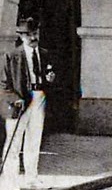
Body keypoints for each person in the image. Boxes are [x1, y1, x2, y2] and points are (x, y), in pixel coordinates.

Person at [0, 18, 55, 190]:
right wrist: (14, 99)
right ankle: (10, 183)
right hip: (19, 103)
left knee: (34, 140)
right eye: (29, 35)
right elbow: (3, 84)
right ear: (21, 37)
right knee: (14, 143)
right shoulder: (11, 56)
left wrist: (51, 79)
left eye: (35, 34)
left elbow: (52, 77)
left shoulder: (45, 54)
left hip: (40, 98)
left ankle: (32, 180)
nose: (33, 38)